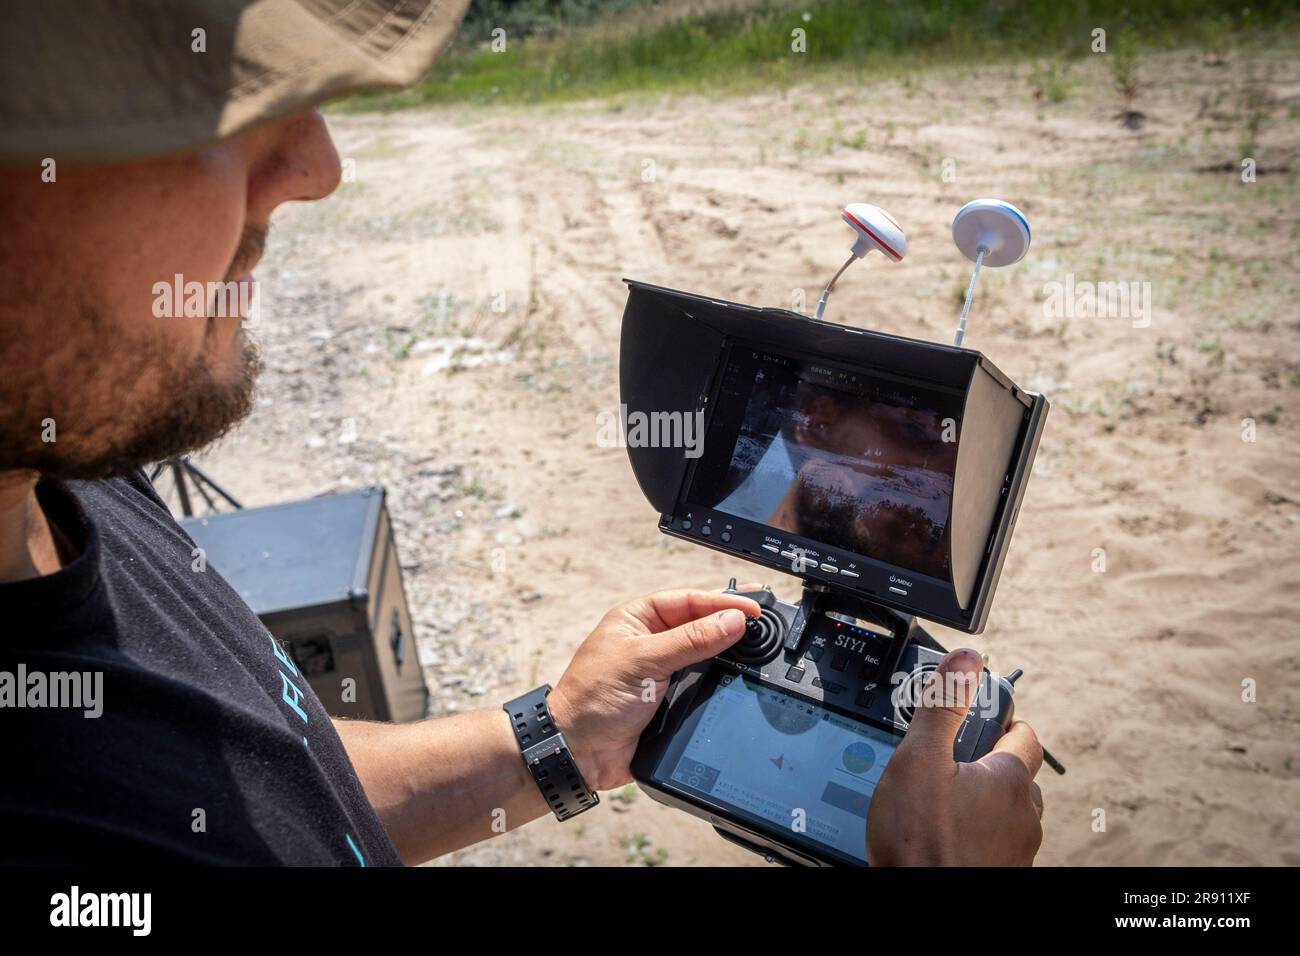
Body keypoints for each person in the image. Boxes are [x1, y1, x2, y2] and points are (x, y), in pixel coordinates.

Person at [0, 0, 1044, 866]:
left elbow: (262, 788)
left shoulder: (63, 475)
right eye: (201, 103)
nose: (315, 163)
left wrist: (551, 740)